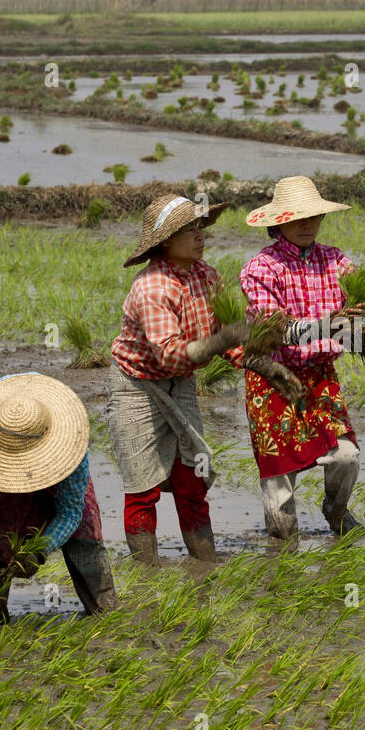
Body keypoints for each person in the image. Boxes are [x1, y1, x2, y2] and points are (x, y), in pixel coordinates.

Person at [108, 193, 254, 573]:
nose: (200, 236)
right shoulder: (152, 288)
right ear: (165, 242)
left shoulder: (208, 276)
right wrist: (222, 341)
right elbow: (169, 355)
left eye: (200, 227)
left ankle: (204, 563)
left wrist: (260, 365)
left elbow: (228, 337)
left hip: (181, 383)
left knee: (192, 479)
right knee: (143, 487)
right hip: (137, 386)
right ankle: (147, 576)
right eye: (188, 230)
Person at [239, 175, 365, 549]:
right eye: (297, 217)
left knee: (345, 455)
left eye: (313, 217)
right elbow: (275, 330)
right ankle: (282, 540)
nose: (306, 225)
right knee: (281, 472)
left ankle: (336, 512)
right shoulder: (261, 269)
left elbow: (362, 312)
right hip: (274, 377)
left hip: (319, 375)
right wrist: (328, 325)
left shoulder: (336, 261)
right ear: (278, 221)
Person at [0, 373, 117, 622]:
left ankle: (105, 611)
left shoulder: (69, 443)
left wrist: (38, 551)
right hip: (0, 486)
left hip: (58, 481)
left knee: (85, 536)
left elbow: (70, 512)